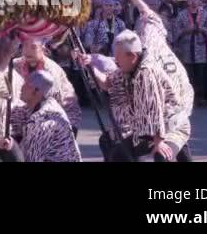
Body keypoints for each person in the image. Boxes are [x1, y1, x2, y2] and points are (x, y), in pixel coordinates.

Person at [77, 29, 191, 162]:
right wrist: (90, 67)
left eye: (118, 56)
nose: (116, 60)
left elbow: (154, 108)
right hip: (145, 128)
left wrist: (159, 141)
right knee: (115, 150)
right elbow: (108, 83)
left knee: (161, 156)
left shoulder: (146, 73)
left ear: (132, 56)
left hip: (170, 126)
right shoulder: (127, 69)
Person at [11, 38, 81, 137]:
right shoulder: (15, 65)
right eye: (25, 46)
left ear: (43, 50)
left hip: (58, 118)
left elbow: (48, 104)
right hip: (27, 111)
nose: (27, 51)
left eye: (33, 47)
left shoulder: (51, 70)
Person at [18, 70, 81, 162]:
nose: (21, 87)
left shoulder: (42, 123)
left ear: (36, 91)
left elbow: (31, 159)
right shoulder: (48, 104)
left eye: (26, 84)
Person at [172, 0, 207, 105]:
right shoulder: (182, 14)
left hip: (200, 48)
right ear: (188, 1)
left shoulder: (204, 14)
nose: (194, 1)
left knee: (200, 74)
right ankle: (188, 98)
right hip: (187, 48)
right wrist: (185, 31)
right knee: (188, 75)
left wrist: (203, 30)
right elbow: (176, 30)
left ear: (199, 1)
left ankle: (200, 98)